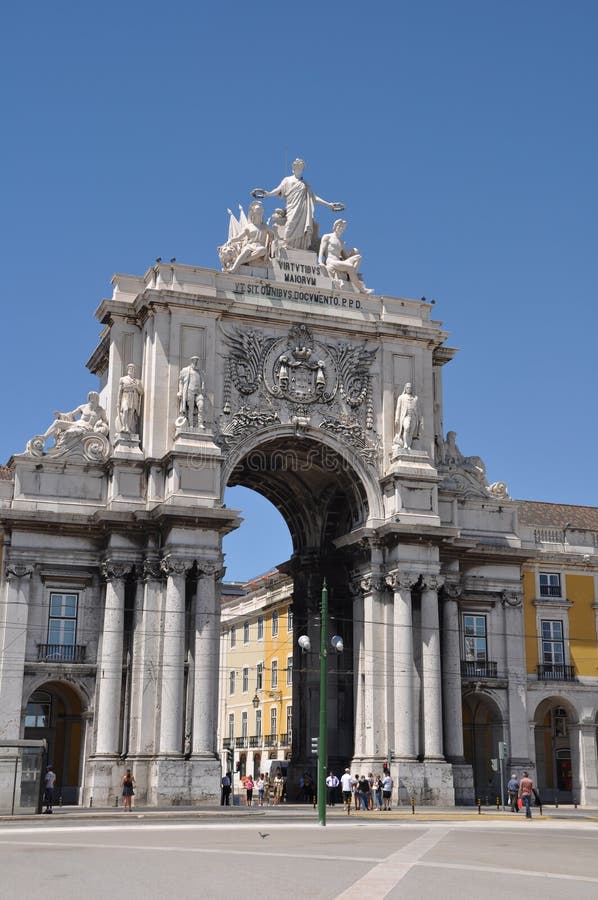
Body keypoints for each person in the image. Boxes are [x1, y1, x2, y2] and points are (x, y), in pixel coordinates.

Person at [251, 158, 344, 251]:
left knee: (302, 229)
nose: (299, 169)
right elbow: (278, 190)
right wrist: (268, 194)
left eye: (301, 167)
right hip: (292, 207)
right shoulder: (287, 180)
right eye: (297, 167)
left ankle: (299, 248)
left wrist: (329, 204)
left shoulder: (305, 184)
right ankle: (287, 244)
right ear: (293, 168)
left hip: (303, 210)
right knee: (290, 224)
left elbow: (314, 197)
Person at [318, 219, 373, 294]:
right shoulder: (327, 237)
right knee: (350, 266)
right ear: (335, 227)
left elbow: (346, 257)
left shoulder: (341, 242)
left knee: (358, 257)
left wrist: (354, 252)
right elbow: (321, 249)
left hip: (339, 262)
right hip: (331, 261)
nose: (341, 228)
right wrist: (320, 261)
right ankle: (362, 289)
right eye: (339, 226)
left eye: (342, 227)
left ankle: (351, 277)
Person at [39, 391, 109, 448]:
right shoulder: (83, 407)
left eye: (94, 398)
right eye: (91, 398)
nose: (92, 400)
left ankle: (59, 447)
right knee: (57, 422)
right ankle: (44, 437)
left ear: (97, 399)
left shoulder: (100, 411)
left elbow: (105, 421)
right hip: (76, 424)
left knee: (69, 432)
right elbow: (71, 414)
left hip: (86, 428)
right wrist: (61, 415)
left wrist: (99, 423)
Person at [116, 363, 143, 435]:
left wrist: (136, 387)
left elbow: (141, 392)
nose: (130, 370)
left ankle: (128, 427)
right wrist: (118, 401)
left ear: (134, 370)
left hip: (134, 397)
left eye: (132, 369)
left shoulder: (137, 381)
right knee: (125, 410)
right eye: (129, 368)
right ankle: (123, 426)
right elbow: (119, 391)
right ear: (127, 369)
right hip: (125, 396)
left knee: (131, 412)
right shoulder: (123, 379)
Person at [177, 356, 205, 428]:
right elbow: (181, 381)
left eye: (197, 361)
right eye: (194, 361)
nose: (196, 363)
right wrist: (180, 391)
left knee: (201, 406)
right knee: (191, 409)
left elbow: (203, 381)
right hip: (190, 391)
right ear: (191, 361)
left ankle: (200, 423)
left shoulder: (200, 372)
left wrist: (202, 387)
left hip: (198, 392)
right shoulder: (186, 370)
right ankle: (191, 424)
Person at [394, 383, 422, 450]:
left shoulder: (415, 398)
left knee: (411, 432)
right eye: (408, 388)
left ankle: (409, 445)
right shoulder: (401, 397)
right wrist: (397, 418)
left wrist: (420, 419)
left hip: (414, 417)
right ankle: (405, 444)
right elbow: (398, 408)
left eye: (410, 388)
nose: (409, 389)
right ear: (405, 388)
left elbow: (418, 409)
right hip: (406, 416)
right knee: (406, 428)